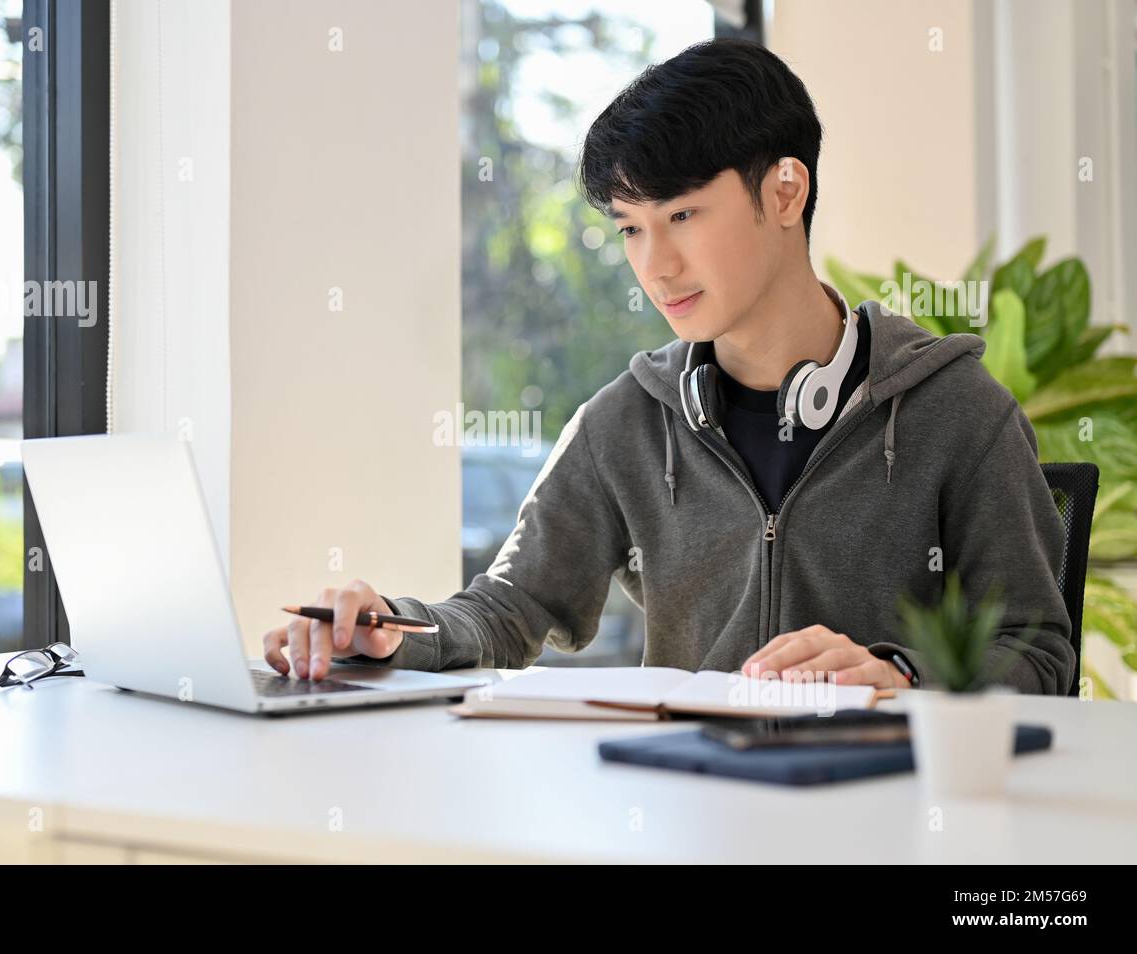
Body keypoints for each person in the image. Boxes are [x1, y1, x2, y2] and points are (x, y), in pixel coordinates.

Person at [262, 38, 1074, 694]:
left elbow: (1038, 653)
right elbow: (508, 610)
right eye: (630, 228)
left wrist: (901, 673)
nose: (655, 265)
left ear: (786, 193)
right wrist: (391, 630)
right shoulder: (628, 419)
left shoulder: (956, 410)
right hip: (685, 813)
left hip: (884, 822)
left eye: (683, 215)